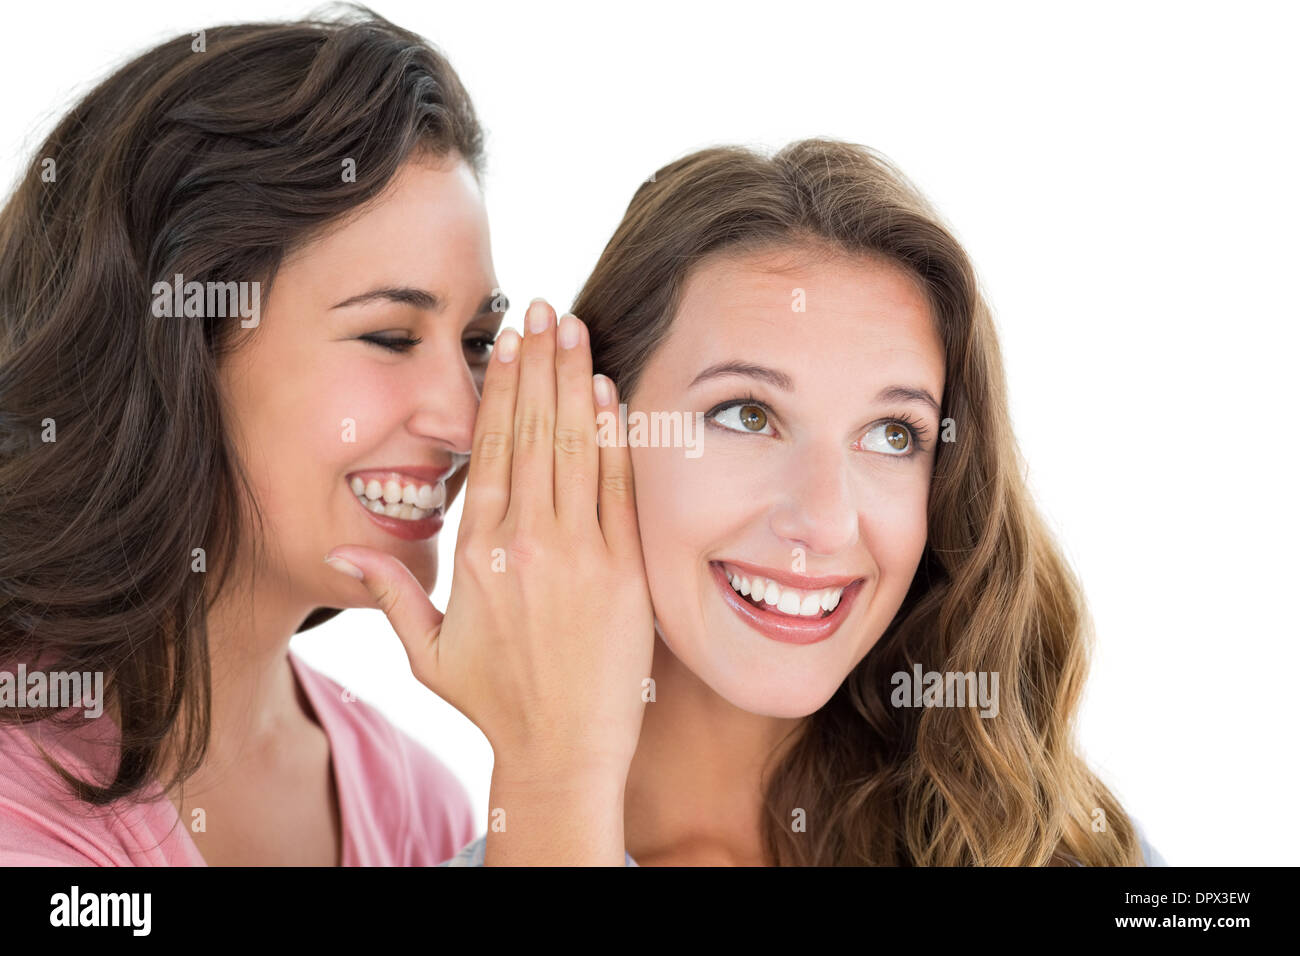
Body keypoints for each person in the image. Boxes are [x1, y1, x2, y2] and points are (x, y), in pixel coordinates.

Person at [338, 140, 1165, 866]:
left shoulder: (1066, 850)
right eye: (747, 415)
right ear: (590, 431)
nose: (824, 521)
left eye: (892, 434)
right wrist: (556, 775)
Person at [0, 8, 493, 865]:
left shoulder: (425, 812)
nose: (464, 423)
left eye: (477, 345)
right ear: (177, 348)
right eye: (390, 337)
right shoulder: (19, 798)